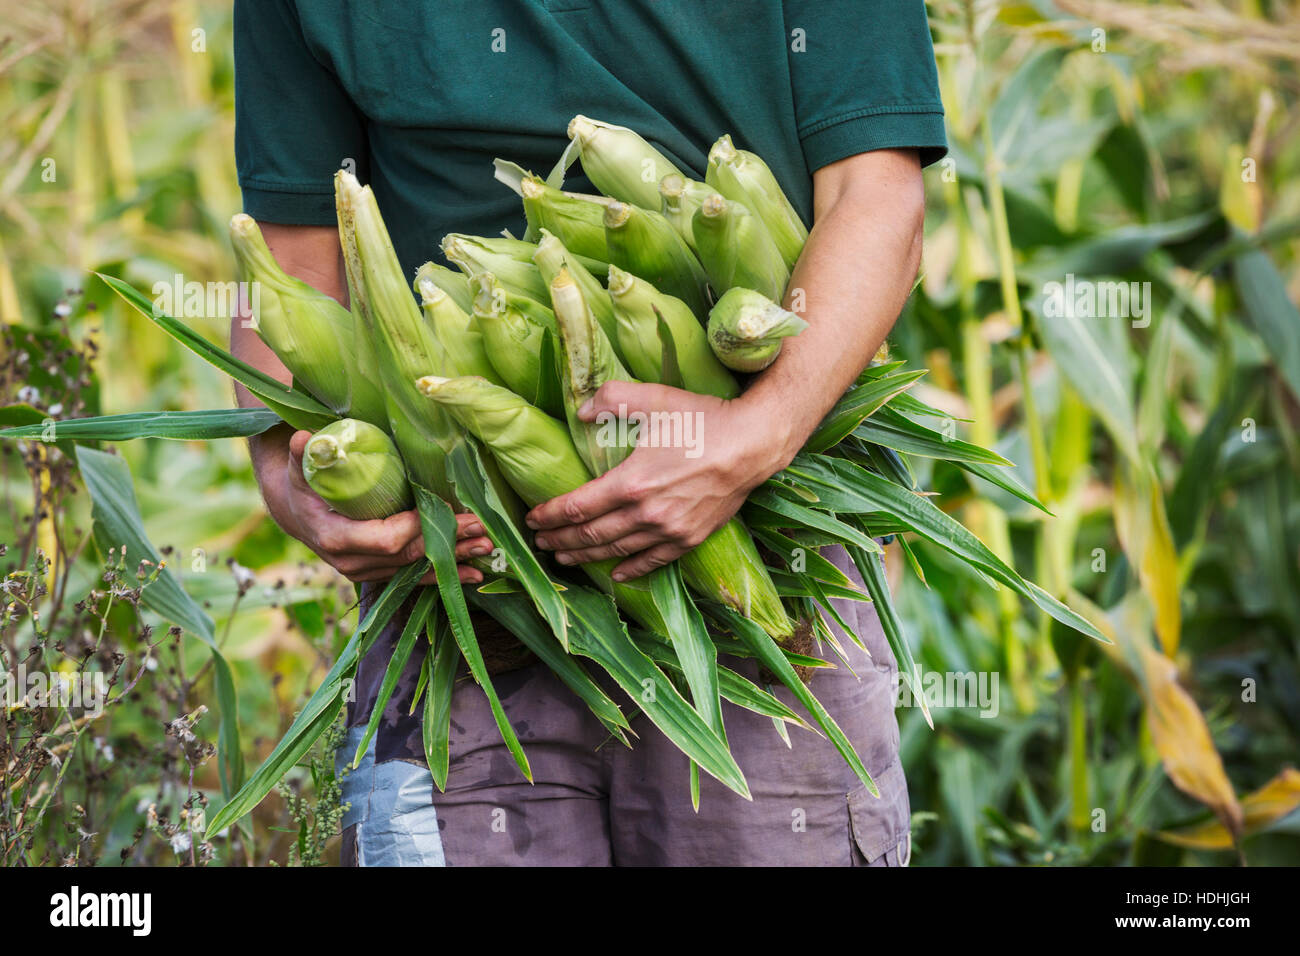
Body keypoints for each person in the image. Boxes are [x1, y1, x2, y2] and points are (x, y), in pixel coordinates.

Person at [231, 0, 946, 866]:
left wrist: (754, 435)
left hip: (757, 563)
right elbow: (292, 252)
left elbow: (874, 191)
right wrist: (289, 474)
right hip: (463, 587)